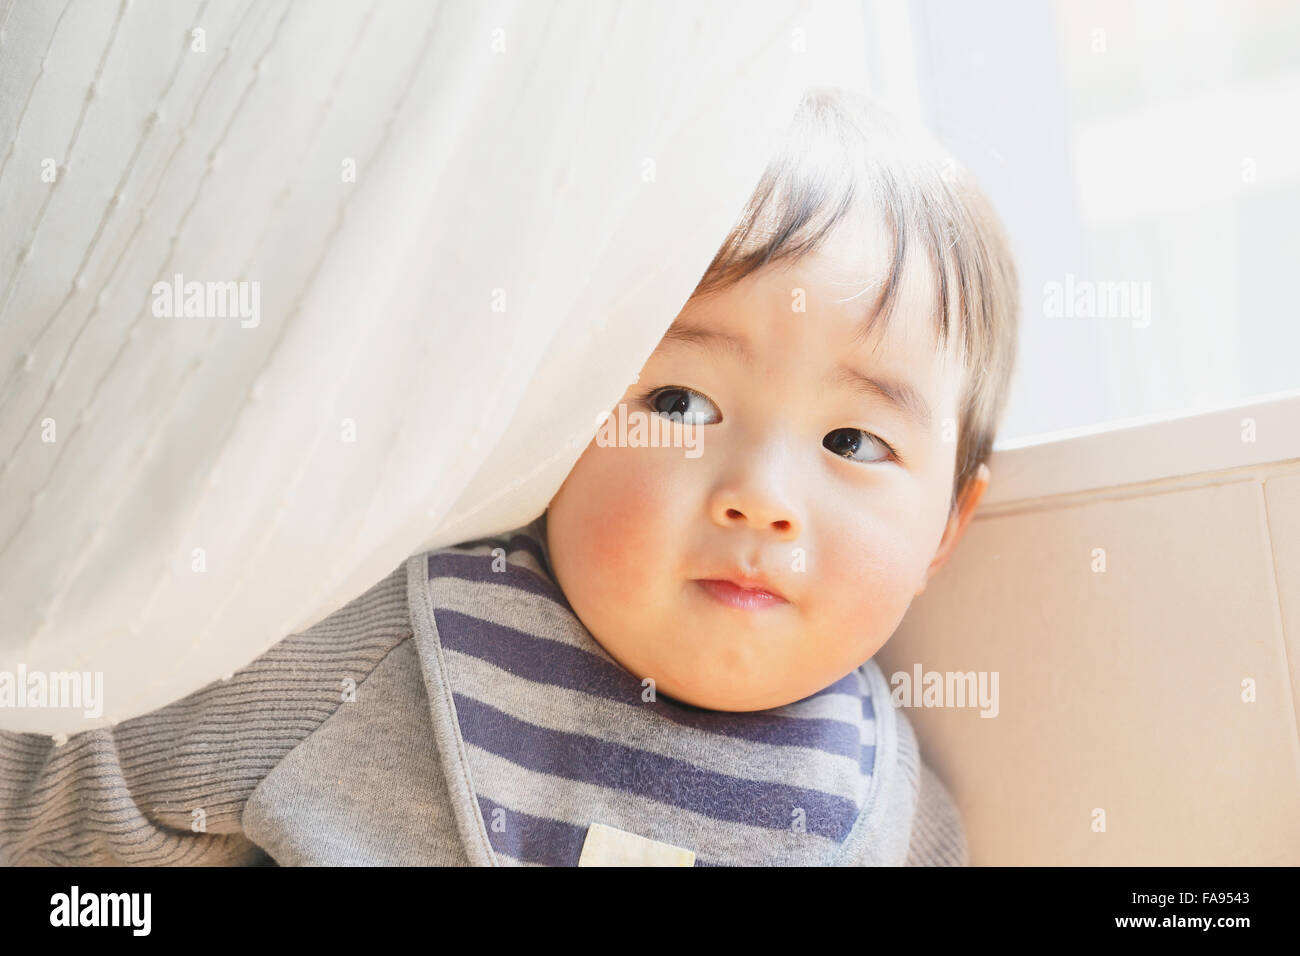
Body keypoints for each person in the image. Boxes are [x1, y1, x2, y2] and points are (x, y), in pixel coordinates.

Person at [0, 88, 1018, 866]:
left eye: (851, 442)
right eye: (677, 406)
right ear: (557, 415)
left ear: (944, 527)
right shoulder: (366, 664)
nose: (761, 495)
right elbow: (68, 785)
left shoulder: (889, 810)